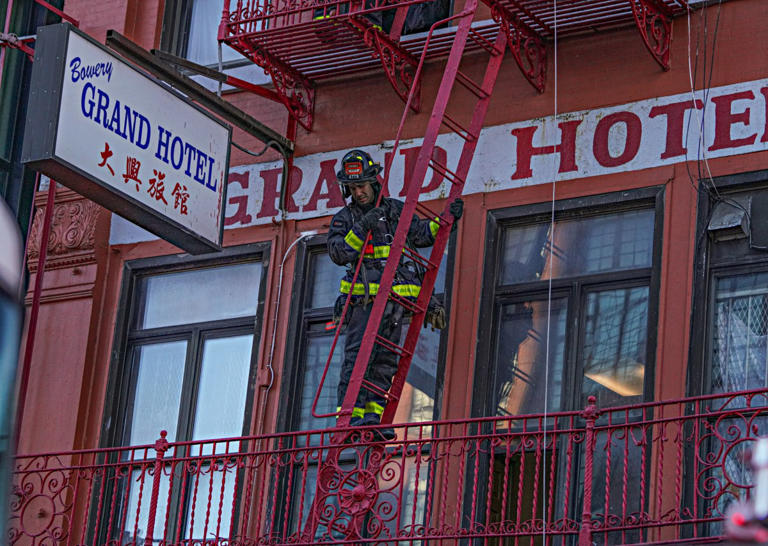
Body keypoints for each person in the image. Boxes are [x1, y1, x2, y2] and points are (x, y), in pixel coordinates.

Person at [327, 149, 463, 439]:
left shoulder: (395, 210)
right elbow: (339, 253)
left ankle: (373, 418)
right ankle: (350, 417)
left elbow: (422, 234)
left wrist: (446, 219)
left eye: (362, 185)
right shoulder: (344, 218)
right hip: (364, 303)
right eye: (353, 187)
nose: (359, 192)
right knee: (358, 359)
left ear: (375, 181)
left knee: (386, 361)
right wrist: (363, 226)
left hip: (397, 303)